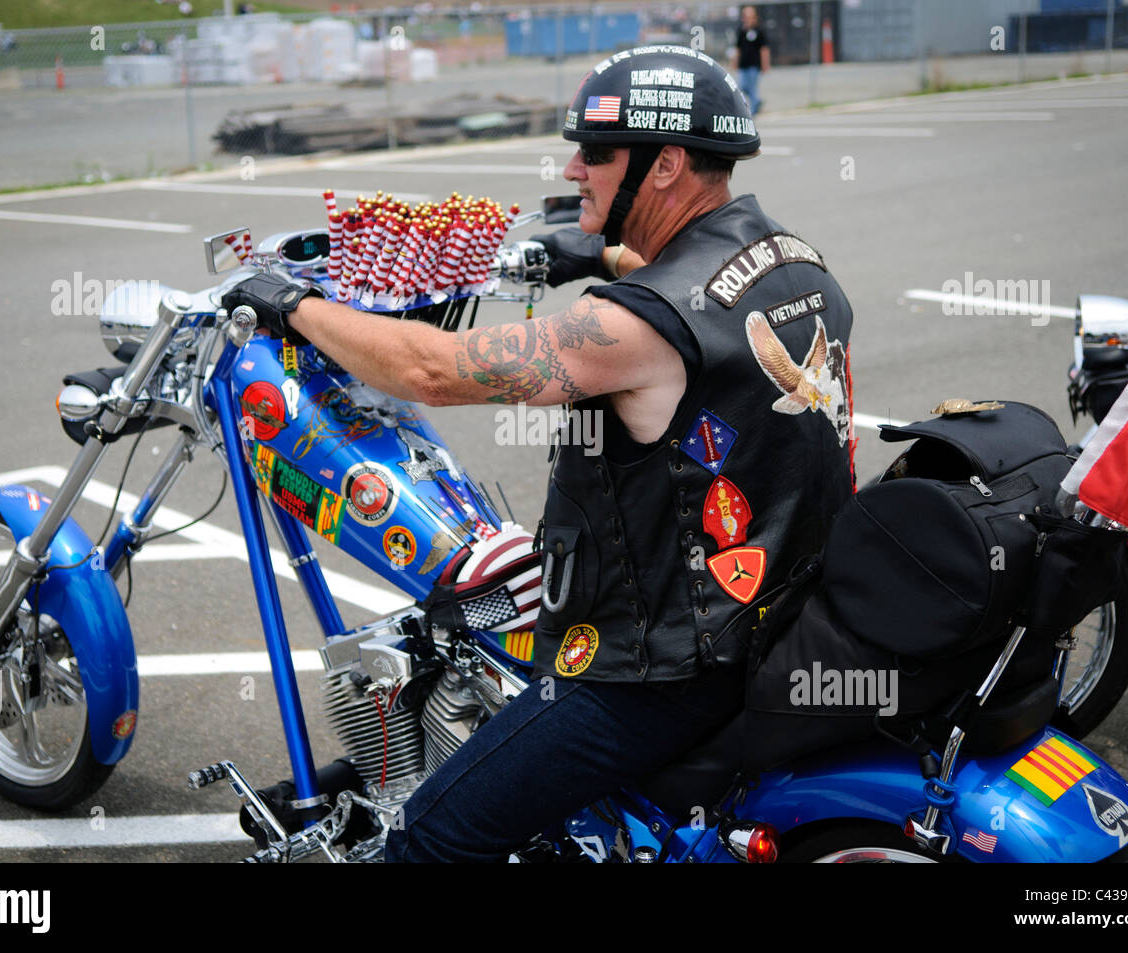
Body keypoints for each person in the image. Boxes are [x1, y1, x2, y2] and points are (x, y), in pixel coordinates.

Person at [222, 45, 856, 862]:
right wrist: (594, 252)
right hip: (782, 615)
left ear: (663, 165)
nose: (572, 166)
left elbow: (433, 370)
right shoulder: (794, 261)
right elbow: (690, 280)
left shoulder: (637, 327)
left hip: (661, 669)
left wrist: (294, 303)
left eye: (595, 152)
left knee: (429, 839)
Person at [730, 4, 770, 115]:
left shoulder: (759, 31)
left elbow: (764, 49)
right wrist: (735, 62)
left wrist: (765, 64)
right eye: (746, 16)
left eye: (750, 16)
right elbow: (737, 49)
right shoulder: (741, 31)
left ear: (755, 18)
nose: (748, 19)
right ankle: (757, 101)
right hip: (743, 64)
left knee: (752, 87)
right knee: (742, 87)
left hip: (754, 65)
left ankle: (753, 111)